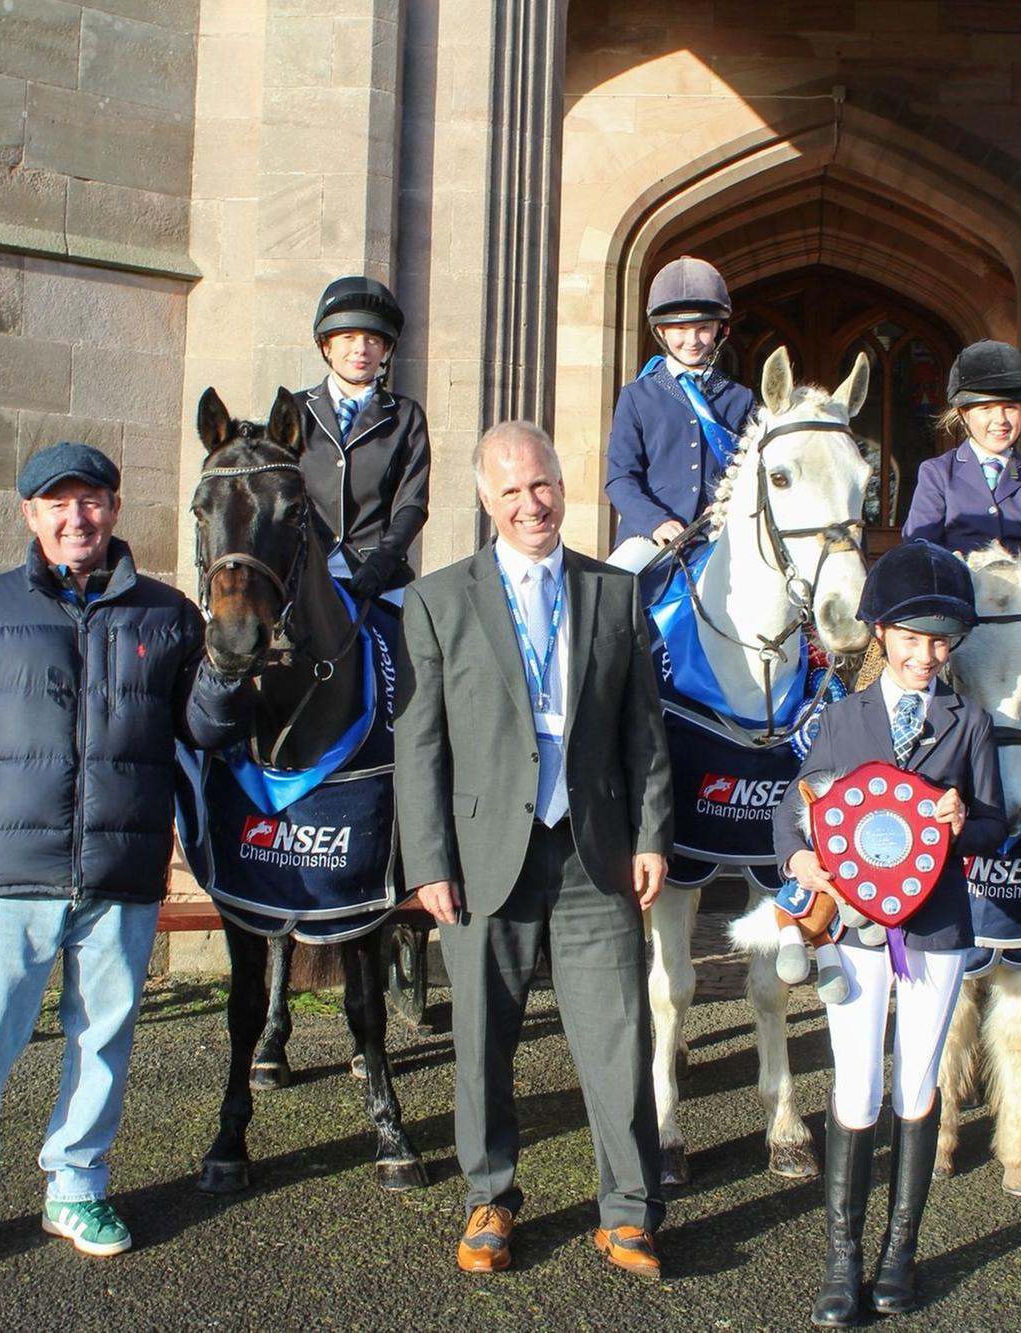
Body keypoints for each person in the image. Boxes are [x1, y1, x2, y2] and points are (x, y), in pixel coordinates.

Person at [0, 443, 248, 1275]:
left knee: (102, 1042)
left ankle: (77, 1183)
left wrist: (228, 672)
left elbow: (202, 728)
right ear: (31, 515)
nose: (75, 517)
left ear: (114, 510)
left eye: (90, 500)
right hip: (6, 880)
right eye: (57, 503)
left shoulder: (166, 615)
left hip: (118, 880)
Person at [394, 421, 675, 1278]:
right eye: (510, 490)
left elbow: (645, 731)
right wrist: (429, 859)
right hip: (484, 858)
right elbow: (420, 744)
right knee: (482, 1039)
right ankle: (490, 1195)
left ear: (562, 482)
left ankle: (628, 1209)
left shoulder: (613, 593)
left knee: (619, 1035)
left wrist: (653, 832)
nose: (531, 503)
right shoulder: (439, 600)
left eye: (543, 483)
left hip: (596, 852)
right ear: (485, 500)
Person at [774, 540, 1009, 1327]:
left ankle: (898, 1254)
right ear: (882, 635)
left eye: (941, 640)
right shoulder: (843, 718)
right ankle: (842, 1257)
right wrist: (799, 854)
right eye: (911, 637)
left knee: (915, 1082)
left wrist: (962, 819)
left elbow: (999, 821)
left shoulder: (968, 721)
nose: (926, 653)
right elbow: (794, 802)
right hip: (854, 927)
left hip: (938, 927)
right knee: (856, 1081)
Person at [294, 276, 432, 604]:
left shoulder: (405, 416)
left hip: (379, 577)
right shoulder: (295, 411)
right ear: (327, 345)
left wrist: (382, 562)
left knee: (413, 649)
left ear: (385, 349)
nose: (361, 349)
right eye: (348, 337)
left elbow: (411, 503)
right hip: (303, 572)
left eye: (373, 339)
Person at [603, 255, 757, 547]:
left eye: (703, 328)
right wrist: (655, 522)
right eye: (680, 329)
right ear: (661, 331)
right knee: (613, 592)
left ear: (720, 331)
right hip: (649, 539)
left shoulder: (740, 399)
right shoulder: (636, 397)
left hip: (719, 537)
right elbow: (620, 479)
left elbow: (753, 472)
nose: (693, 339)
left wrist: (729, 507)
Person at [901, 340, 1021, 565]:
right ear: (964, 414)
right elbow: (920, 549)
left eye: (1010, 408)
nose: (1000, 421)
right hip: (955, 593)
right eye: (985, 408)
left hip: (1019, 597)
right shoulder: (937, 473)